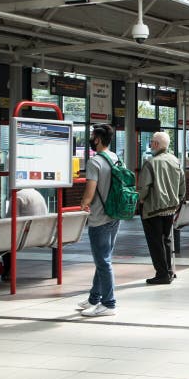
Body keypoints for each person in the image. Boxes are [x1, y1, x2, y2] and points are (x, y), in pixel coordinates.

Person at [78, 124, 120, 317]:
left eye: (93, 136)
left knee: (103, 261)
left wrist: (84, 204)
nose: (91, 139)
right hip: (114, 215)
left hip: (99, 217)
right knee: (103, 258)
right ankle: (94, 298)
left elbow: (90, 189)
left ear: (98, 139)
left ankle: (109, 303)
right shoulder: (115, 158)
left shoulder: (95, 162)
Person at [138, 131, 186, 285]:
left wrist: (140, 200)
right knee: (166, 240)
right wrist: (177, 199)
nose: (150, 144)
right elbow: (182, 186)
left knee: (155, 242)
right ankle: (169, 270)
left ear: (157, 144)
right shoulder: (175, 161)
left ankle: (162, 274)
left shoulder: (150, 163)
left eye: (152, 141)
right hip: (170, 208)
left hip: (153, 209)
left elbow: (144, 188)